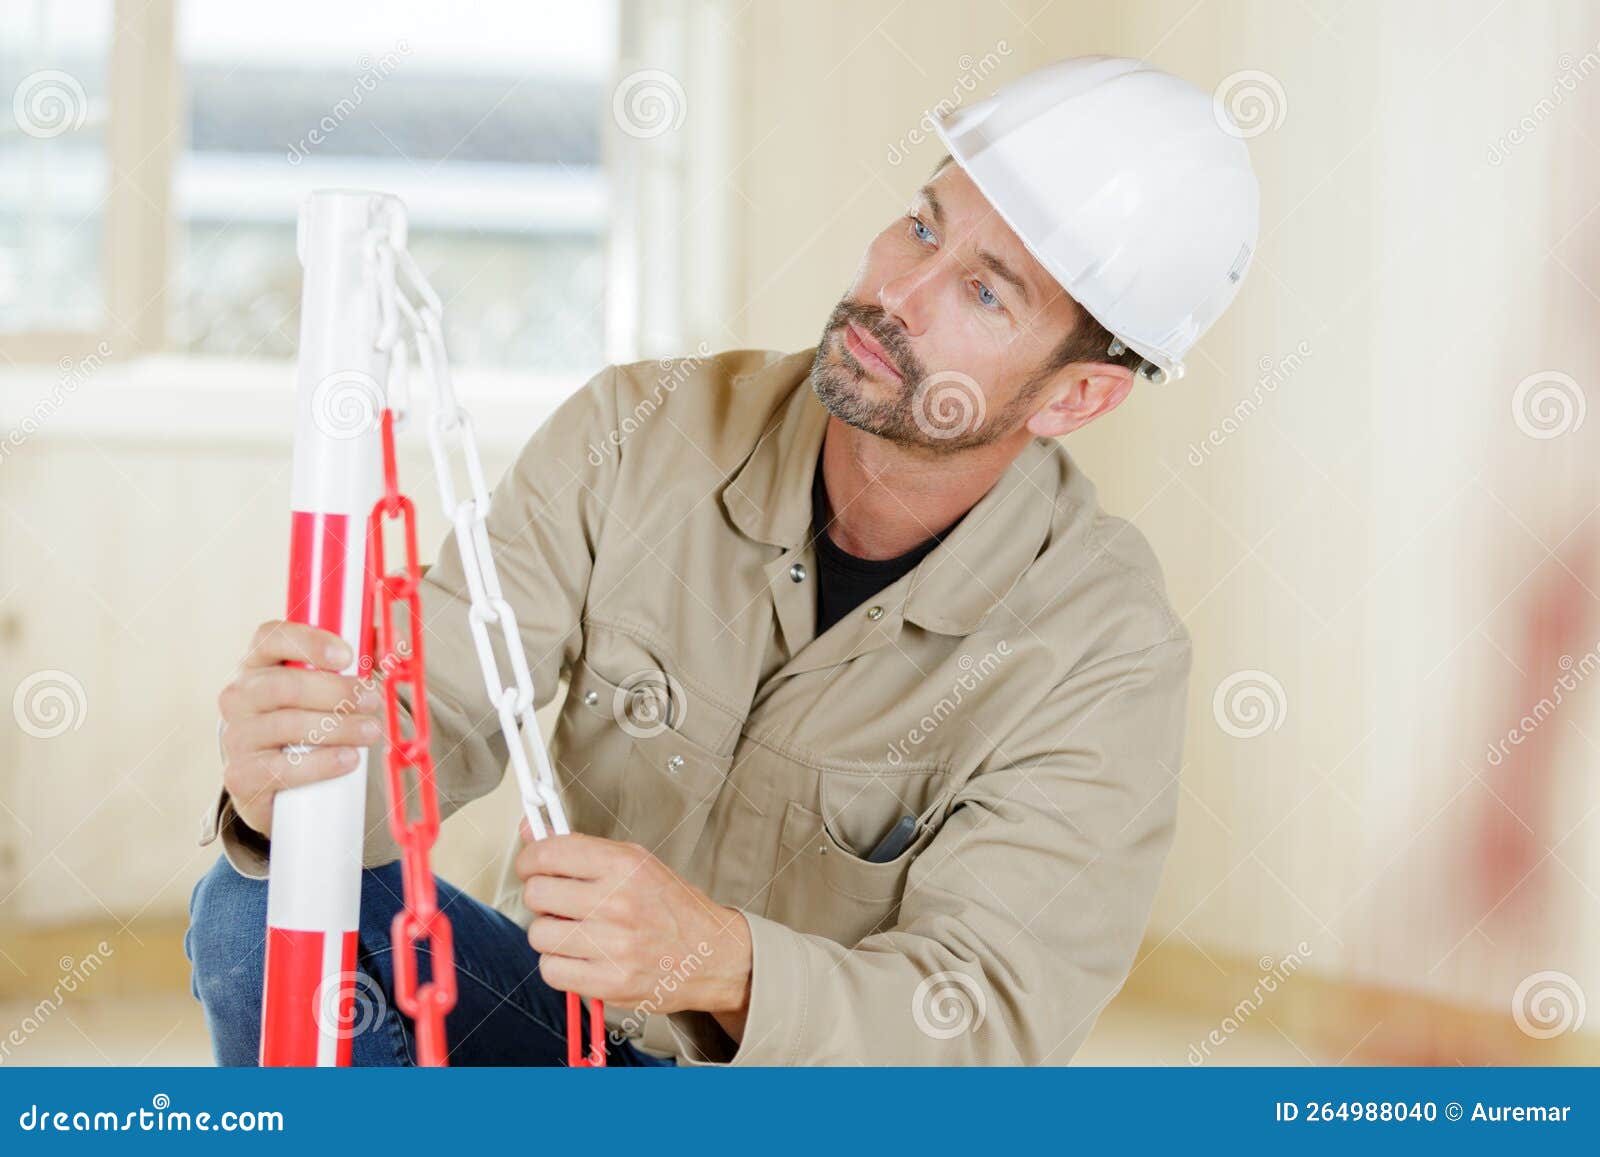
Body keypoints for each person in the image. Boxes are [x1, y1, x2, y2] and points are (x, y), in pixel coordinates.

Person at [187, 55, 1259, 1065]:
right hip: (558, 1038)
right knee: (260, 902)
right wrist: (303, 773)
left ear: (1076, 396)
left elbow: (981, 1022)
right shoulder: (638, 431)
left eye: (984, 293)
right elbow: (437, 715)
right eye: (922, 226)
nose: (901, 292)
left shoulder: (1100, 651)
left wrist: (723, 962)